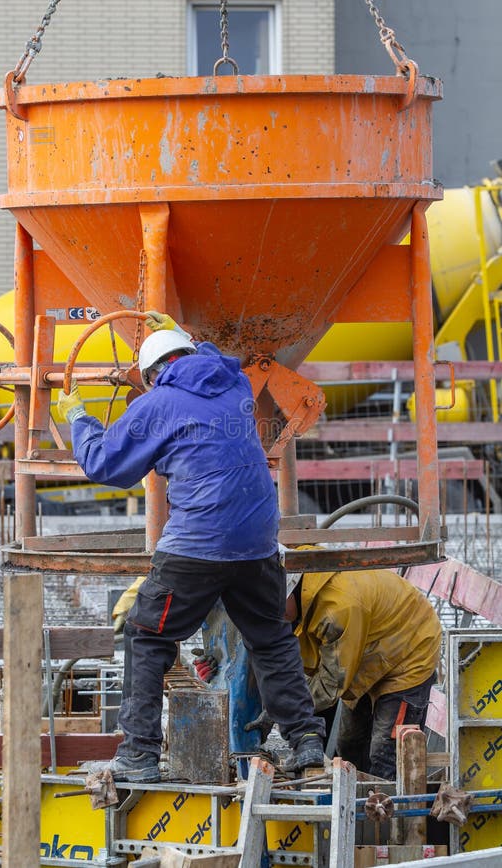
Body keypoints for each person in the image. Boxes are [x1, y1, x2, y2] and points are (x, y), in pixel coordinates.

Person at [57, 311, 325, 783]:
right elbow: (212, 362)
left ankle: (139, 753)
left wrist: (79, 418)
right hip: (259, 542)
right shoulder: (236, 385)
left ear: (152, 375)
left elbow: (104, 464)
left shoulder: (158, 403)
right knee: (271, 639)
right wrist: (187, 336)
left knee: (148, 635)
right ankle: (306, 743)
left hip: (198, 543)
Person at [244, 568, 440, 781]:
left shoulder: (337, 611)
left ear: (291, 591)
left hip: (409, 651)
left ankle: (390, 809)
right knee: (349, 743)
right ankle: (355, 805)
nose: (275, 615)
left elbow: (329, 685)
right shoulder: (300, 585)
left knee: (386, 753)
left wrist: (281, 709)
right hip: (366, 653)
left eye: (276, 606)